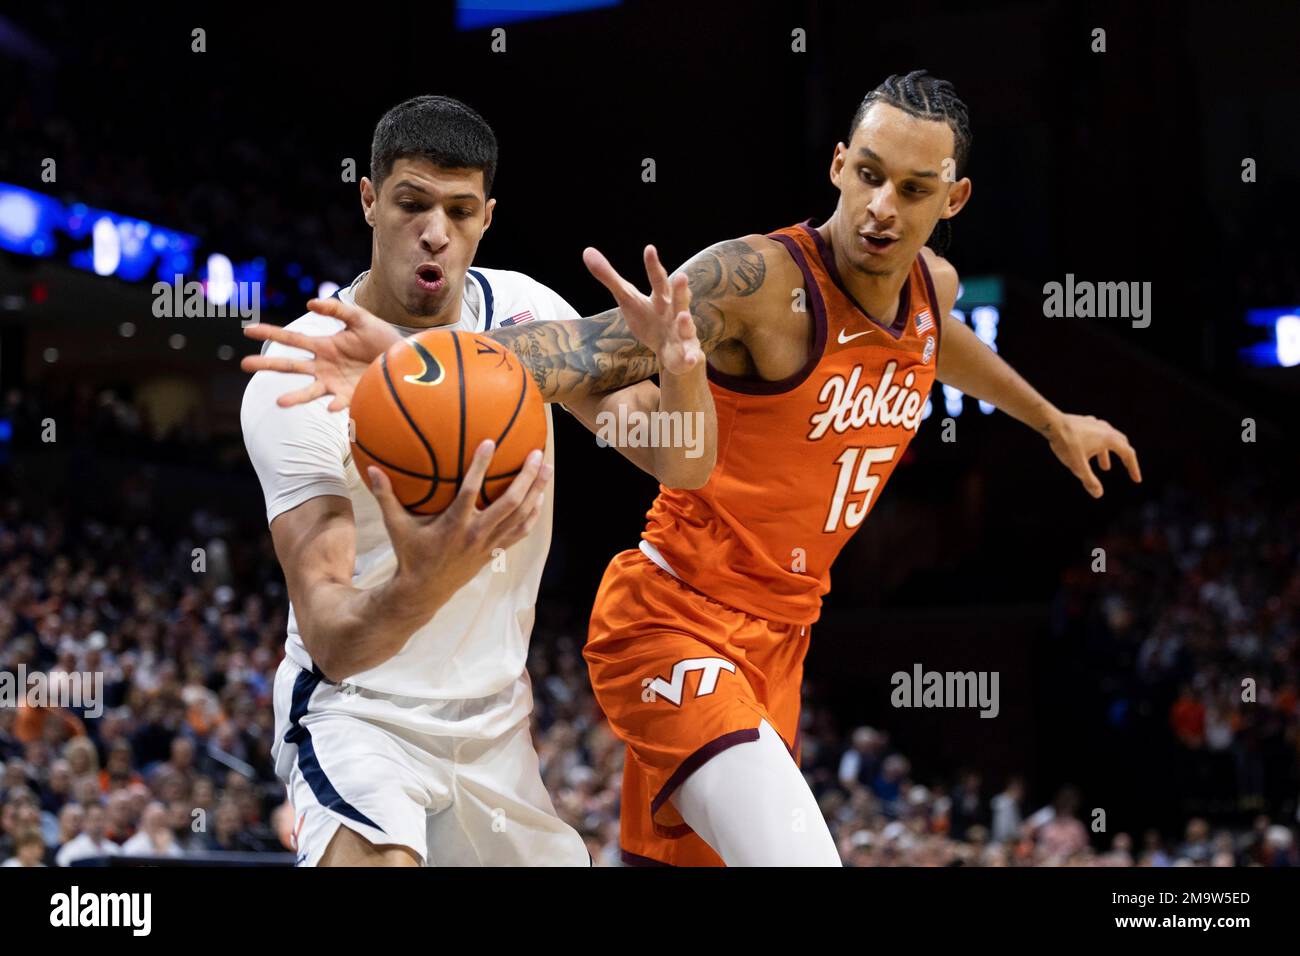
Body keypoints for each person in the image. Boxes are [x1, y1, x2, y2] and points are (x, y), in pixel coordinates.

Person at [244, 71, 1141, 867]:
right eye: (868, 174)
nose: (881, 207)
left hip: (753, 646)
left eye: (912, 189)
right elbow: (577, 352)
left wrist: (1051, 419)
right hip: (670, 622)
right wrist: (414, 366)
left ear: (953, 199)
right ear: (837, 164)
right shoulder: (755, 281)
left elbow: (928, 347)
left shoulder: (929, 290)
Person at [240, 95, 711, 867]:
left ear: (487, 216)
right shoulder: (302, 371)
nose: (436, 231)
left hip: (496, 726)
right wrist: (427, 578)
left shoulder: (528, 315)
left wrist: (682, 369)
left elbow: (679, 458)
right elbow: (331, 636)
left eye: (460, 210)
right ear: (368, 199)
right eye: (412, 203)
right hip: (360, 715)